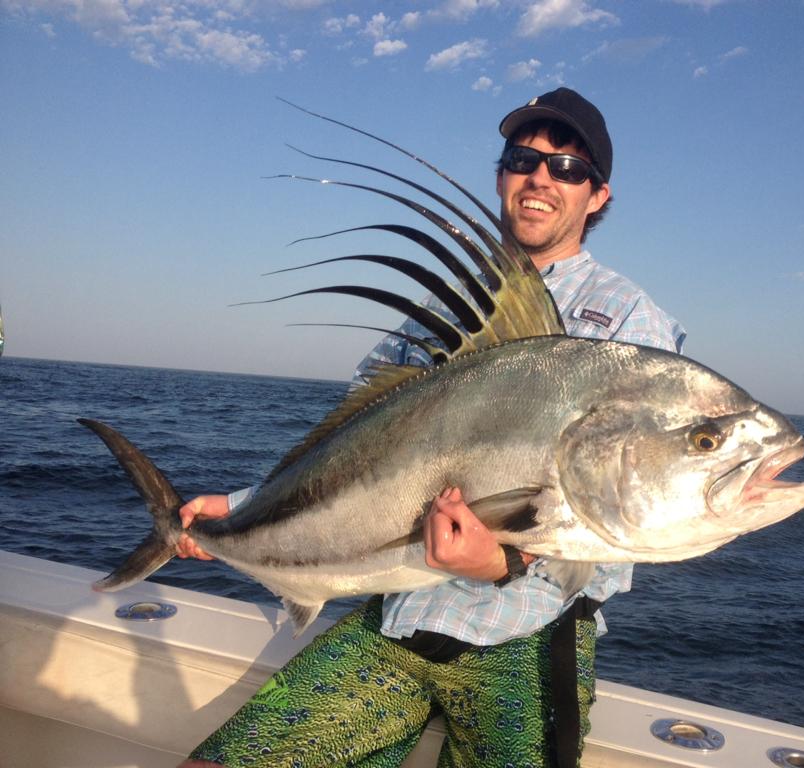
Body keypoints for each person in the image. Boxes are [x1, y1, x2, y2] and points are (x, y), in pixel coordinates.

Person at [177, 87, 686, 768]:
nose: (540, 178)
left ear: (597, 197)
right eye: (522, 158)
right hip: (400, 619)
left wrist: (503, 561)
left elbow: (629, 509)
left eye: (567, 168)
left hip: (529, 641)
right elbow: (359, 447)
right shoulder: (443, 309)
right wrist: (242, 507)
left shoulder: (629, 322)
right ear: (502, 174)